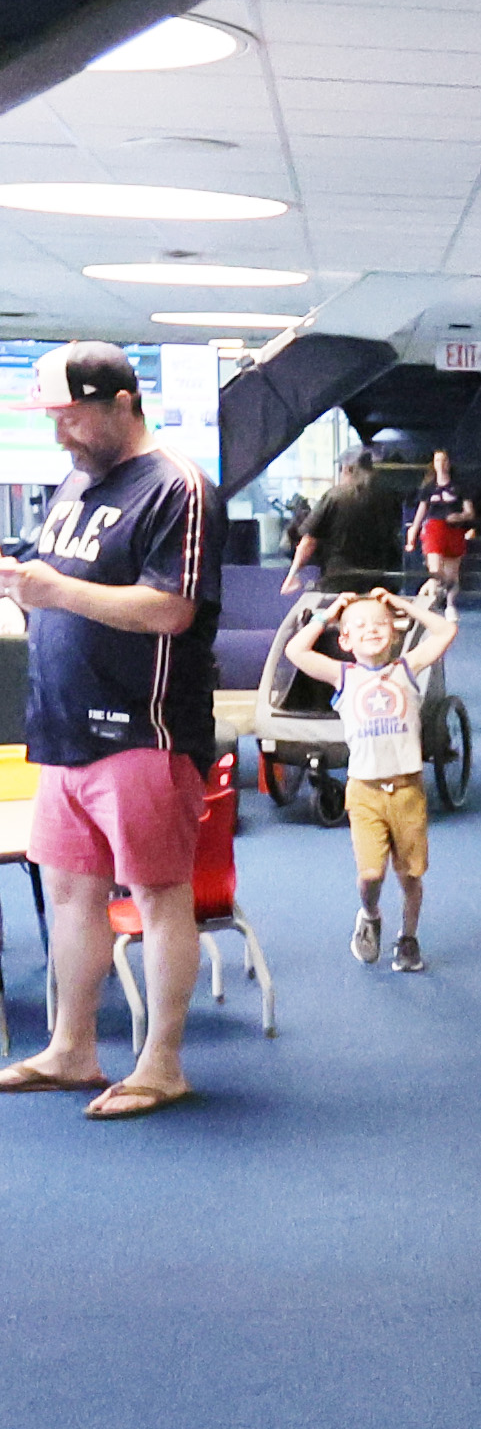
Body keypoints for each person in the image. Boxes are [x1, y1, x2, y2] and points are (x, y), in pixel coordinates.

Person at [0, 340, 224, 1118]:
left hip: (143, 731)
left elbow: (172, 608)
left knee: (160, 895)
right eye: (53, 418)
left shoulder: (178, 487)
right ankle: (73, 1047)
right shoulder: (75, 481)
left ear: (123, 403)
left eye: (72, 417)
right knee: (69, 893)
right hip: (63, 729)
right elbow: (44, 578)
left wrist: (56, 590)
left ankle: (161, 1063)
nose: (60, 434)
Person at [284, 588, 454, 974]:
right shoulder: (344, 675)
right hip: (364, 791)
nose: (372, 630)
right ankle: (370, 913)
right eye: (359, 626)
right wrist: (329, 614)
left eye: (380, 624)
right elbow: (296, 652)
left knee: (410, 874)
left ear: (394, 633)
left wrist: (404, 606)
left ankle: (408, 938)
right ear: (345, 641)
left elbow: (444, 632)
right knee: (370, 873)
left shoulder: (406, 669)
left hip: (407, 788)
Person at [282, 447, 404, 596]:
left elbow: (308, 542)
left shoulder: (335, 497)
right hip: (379, 581)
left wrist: (292, 575)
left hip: (339, 580)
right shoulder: (390, 498)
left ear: (347, 469)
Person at [408, 449, 475, 602]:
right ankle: (430, 598)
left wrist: (460, 516)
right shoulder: (428, 488)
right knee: (436, 570)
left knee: (452, 575)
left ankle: (449, 603)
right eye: (438, 460)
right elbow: (421, 511)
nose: (441, 464)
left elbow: (470, 512)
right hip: (434, 528)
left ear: (449, 463)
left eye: (444, 460)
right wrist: (413, 531)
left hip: (454, 529)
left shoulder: (459, 487)